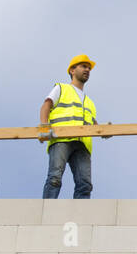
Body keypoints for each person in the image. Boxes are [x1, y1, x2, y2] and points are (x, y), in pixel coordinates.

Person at [39, 54, 100, 198]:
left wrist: (105, 130)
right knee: (55, 177)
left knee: (85, 184)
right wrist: (44, 126)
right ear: (72, 70)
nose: (87, 70)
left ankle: (81, 214)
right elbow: (46, 105)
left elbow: (93, 122)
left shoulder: (89, 101)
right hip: (62, 139)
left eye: (89, 68)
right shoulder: (61, 88)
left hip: (82, 144)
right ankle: (47, 210)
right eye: (83, 66)